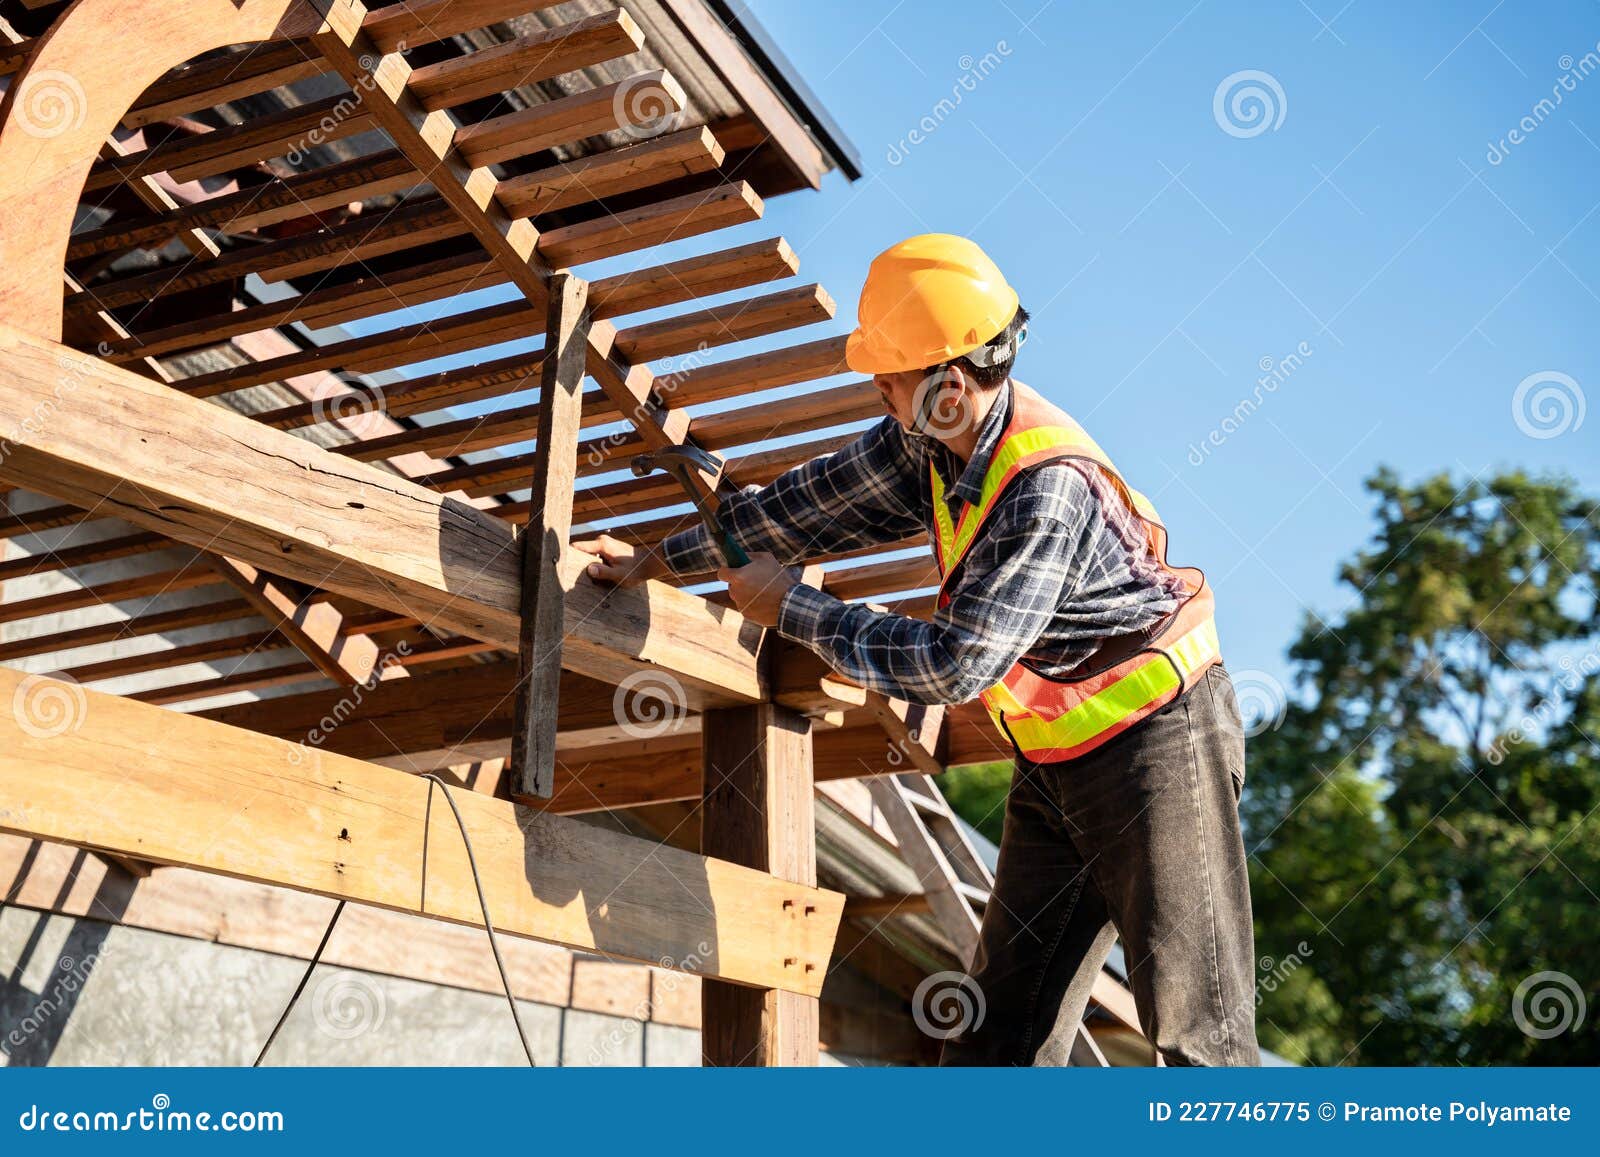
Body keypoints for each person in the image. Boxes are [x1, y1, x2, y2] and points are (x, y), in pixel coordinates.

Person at [575, 233, 1259, 1066]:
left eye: (890, 375)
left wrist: (792, 608)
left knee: (1198, 1038)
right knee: (990, 1044)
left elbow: (952, 665)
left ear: (951, 383)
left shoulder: (1046, 491)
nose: (877, 389)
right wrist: (660, 561)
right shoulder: (931, 443)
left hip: (1162, 744)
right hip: (1058, 762)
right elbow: (807, 508)